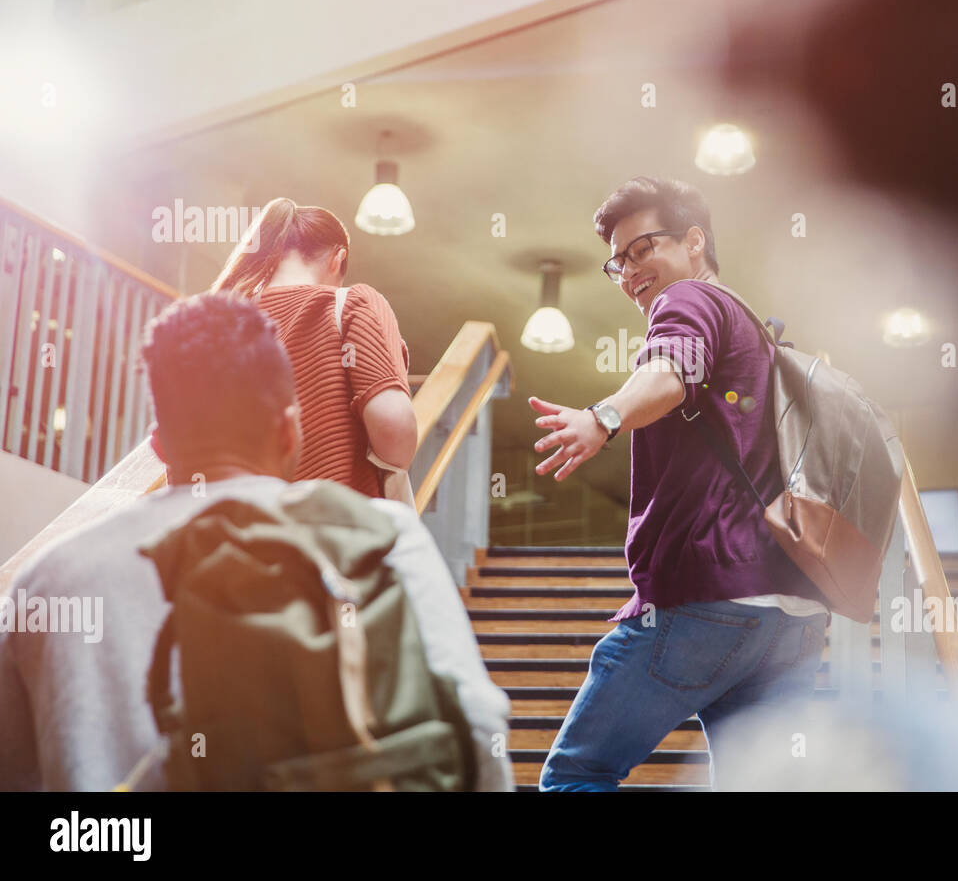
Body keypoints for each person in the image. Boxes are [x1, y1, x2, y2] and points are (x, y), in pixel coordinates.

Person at [0, 292, 513, 791]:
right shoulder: (380, 536)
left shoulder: (47, 580)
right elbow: (477, 728)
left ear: (158, 445)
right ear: (290, 433)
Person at [530, 176, 830, 790]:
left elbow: (671, 370)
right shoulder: (760, 334)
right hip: (790, 614)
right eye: (619, 263)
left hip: (705, 597)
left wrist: (602, 417)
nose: (632, 271)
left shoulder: (689, 300)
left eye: (644, 249)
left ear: (695, 241)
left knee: (577, 774)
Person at [210, 198, 417, 500]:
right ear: (338, 258)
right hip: (334, 532)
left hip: (243, 532)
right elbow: (395, 431)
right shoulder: (352, 303)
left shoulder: (220, 326)